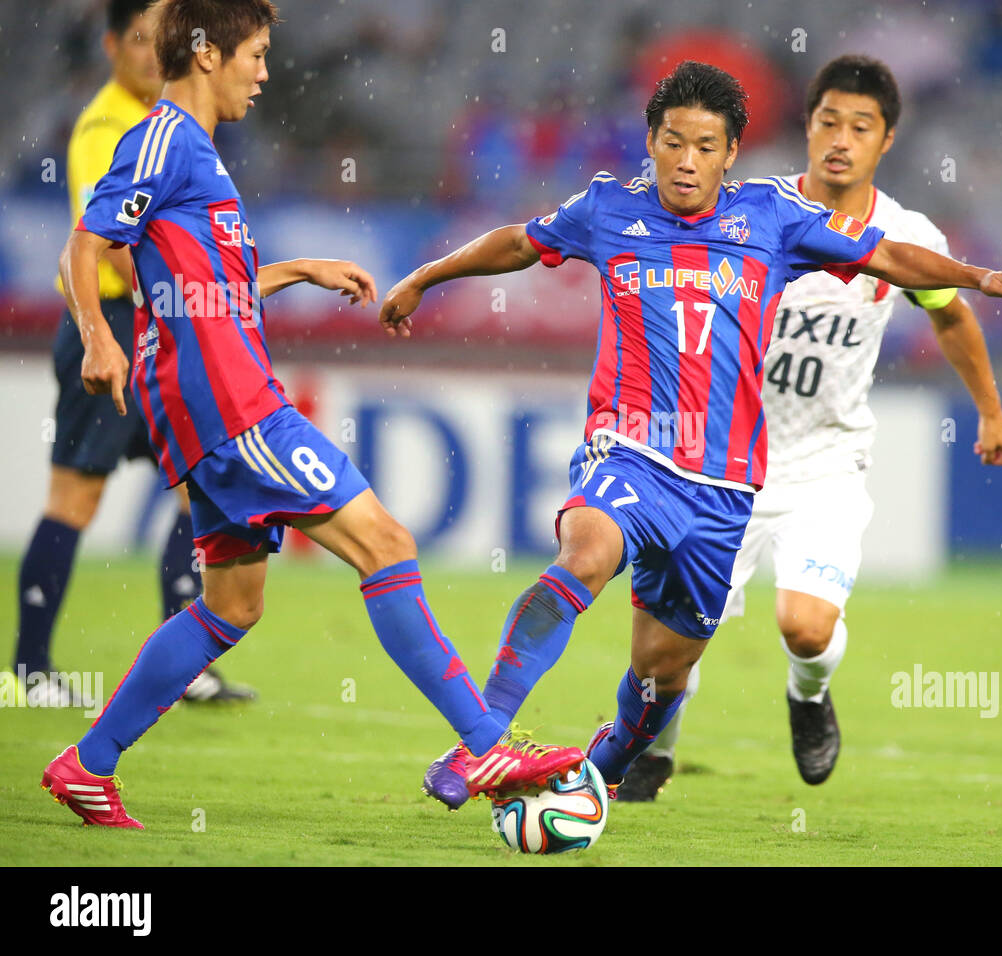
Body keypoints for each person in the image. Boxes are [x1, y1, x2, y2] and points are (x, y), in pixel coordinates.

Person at [380, 59, 1002, 802]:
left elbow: (886, 253)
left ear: (730, 154)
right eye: (671, 142)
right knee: (585, 551)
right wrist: (425, 277)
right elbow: (521, 242)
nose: (686, 162)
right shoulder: (606, 209)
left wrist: (977, 276)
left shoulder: (772, 218)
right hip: (632, 448)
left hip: (726, 487)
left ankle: (604, 770)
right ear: (650, 141)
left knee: (664, 673)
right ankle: (484, 741)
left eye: (704, 147)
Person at [41, 0, 582, 829]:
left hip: (211, 404)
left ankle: (88, 763)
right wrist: (95, 340)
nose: (264, 72)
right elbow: (86, 242)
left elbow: (206, 285)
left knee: (232, 605)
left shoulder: (199, 156)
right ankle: (481, 744)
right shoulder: (162, 137)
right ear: (209, 54)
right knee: (387, 544)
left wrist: (296, 269)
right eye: (255, 54)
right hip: (230, 404)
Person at [622, 54, 1002, 800]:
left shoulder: (902, 233)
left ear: (886, 140)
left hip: (825, 464)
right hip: (719, 465)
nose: (840, 139)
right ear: (807, 125)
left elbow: (953, 316)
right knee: (664, 656)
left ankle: (808, 695)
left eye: (859, 127)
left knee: (805, 626)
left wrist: (990, 411)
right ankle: (655, 752)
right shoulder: (750, 211)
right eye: (828, 121)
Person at [6, 0, 253, 707]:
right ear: (111, 44)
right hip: (109, 328)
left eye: (164, 39)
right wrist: (106, 329)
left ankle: (185, 666)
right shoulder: (107, 125)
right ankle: (27, 668)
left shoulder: (172, 129)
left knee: (194, 493)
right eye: (140, 39)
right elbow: (102, 244)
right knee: (76, 499)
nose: (154, 53)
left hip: (161, 335)